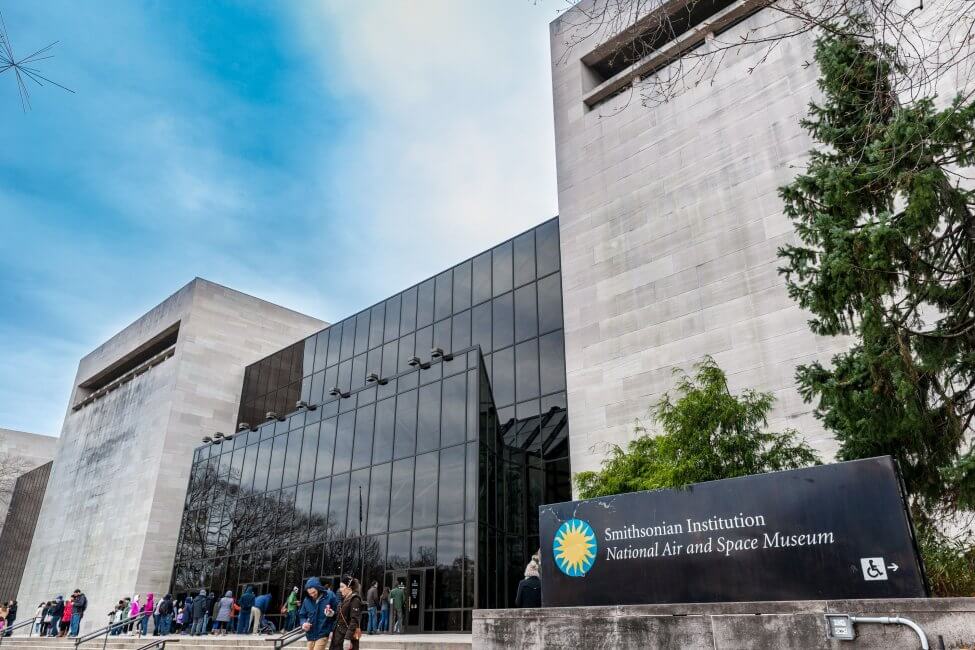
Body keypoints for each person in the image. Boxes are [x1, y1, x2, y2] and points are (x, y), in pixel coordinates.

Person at [298, 577, 340, 650]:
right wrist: (303, 623)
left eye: (314, 592)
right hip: (310, 634)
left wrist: (332, 613)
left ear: (318, 588)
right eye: (310, 593)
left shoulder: (330, 595)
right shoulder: (306, 600)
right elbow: (302, 615)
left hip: (323, 632)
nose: (312, 595)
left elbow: (338, 612)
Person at [329, 577, 361, 650]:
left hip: (345, 636)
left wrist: (347, 638)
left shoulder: (355, 599)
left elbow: (354, 620)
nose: (340, 589)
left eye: (342, 587)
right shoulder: (344, 599)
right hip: (338, 636)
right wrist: (332, 613)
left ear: (349, 587)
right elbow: (339, 616)